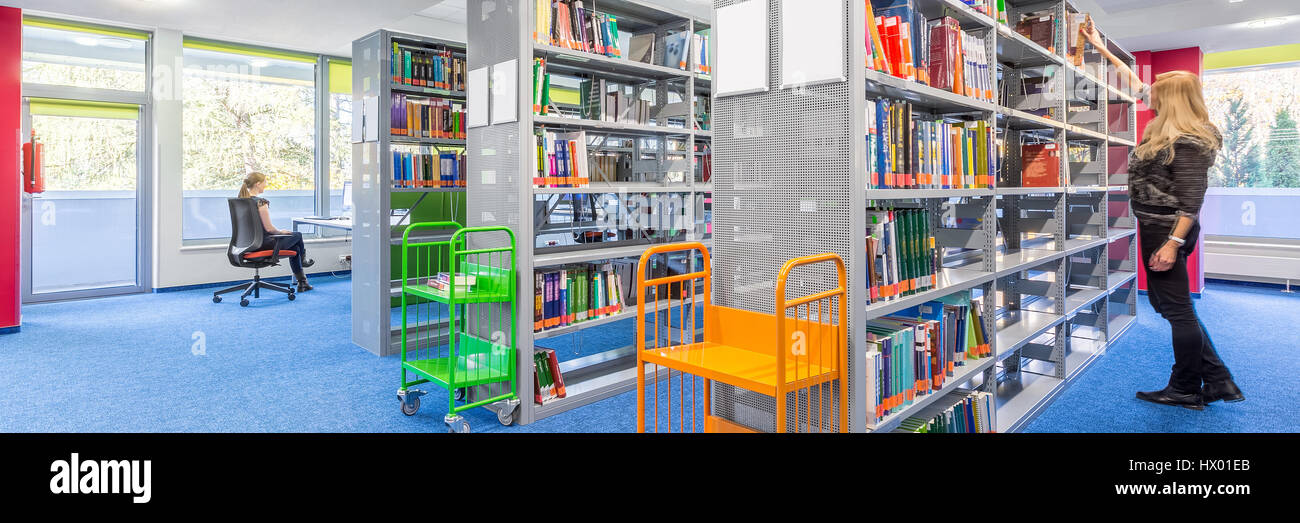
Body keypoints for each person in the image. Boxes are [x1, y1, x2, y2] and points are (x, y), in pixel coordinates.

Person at [1085, 29, 1242, 409]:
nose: (1147, 91)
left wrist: (1172, 244)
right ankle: (1219, 380)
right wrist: (1100, 47)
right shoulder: (1166, 125)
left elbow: (1191, 201)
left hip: (1168, 230)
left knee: (1176, 309)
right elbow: (1134, 81)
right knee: (1168, 305)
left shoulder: (1190, 140)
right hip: (1155, 226)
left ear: (1170, 99)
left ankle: (1187, 388)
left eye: (1156, 89)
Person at [238, 172, 315, 292]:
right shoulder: (260, 202)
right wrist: (281, 231)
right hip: (262, 244)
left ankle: (302, 283)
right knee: (297, 235)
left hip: (247, 245)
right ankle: (303, 261)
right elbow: (269, 229)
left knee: (295, 249)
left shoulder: (240, 202)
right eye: (264, 182)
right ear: (258, 184)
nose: (266, 185)